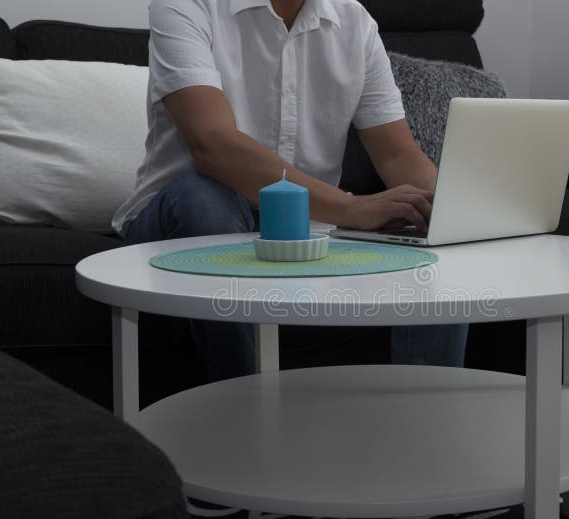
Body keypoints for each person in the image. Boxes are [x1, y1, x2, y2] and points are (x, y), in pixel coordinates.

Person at [113, 0, 468, 380]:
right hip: (178, 225)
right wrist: (352, 209)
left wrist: (455, 211)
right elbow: (212, 146)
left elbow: (398, 155)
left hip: (308, 232)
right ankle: (250, 412)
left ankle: (425, 414)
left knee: (429, 230)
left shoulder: (354, 21)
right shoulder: (185, 5)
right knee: (206, 198)